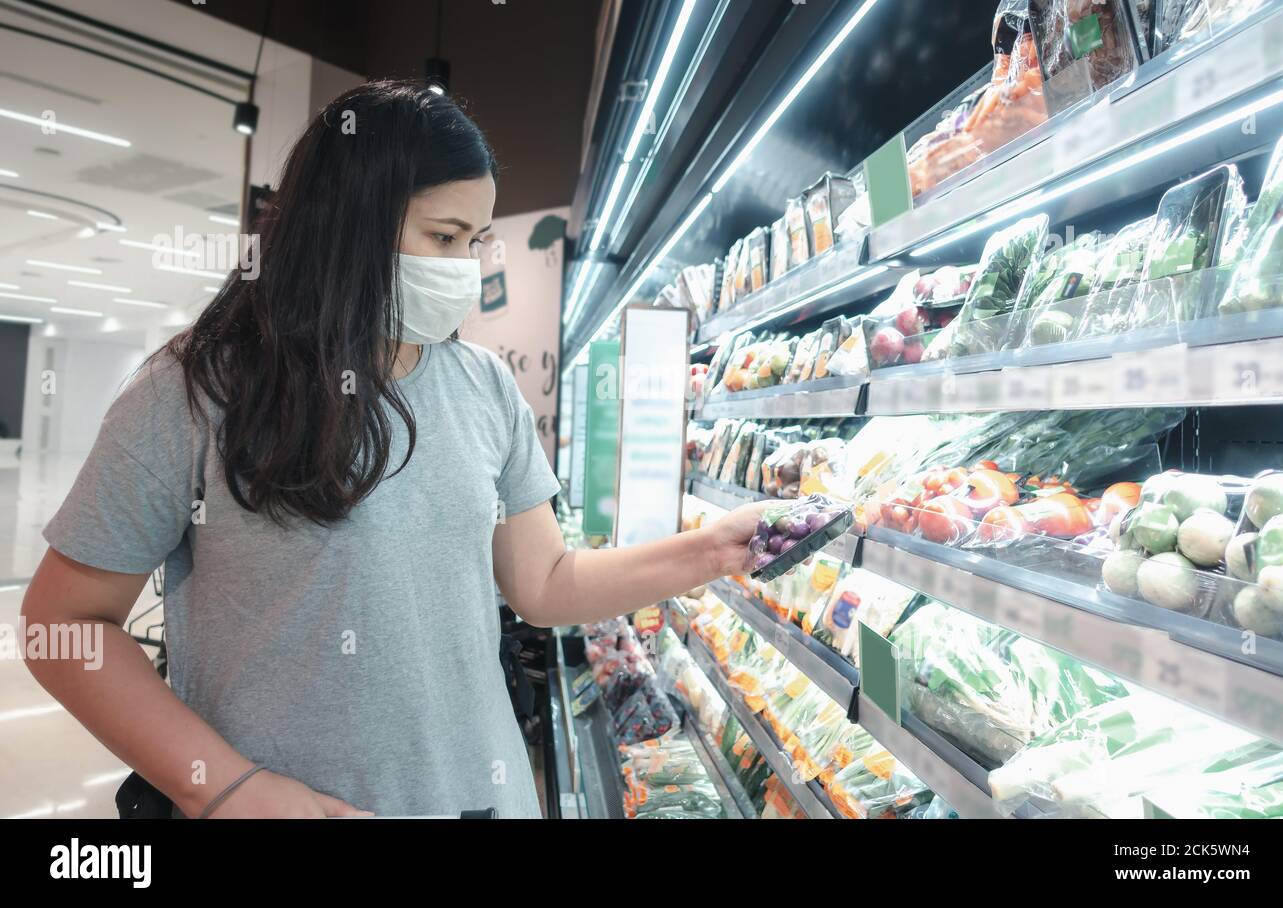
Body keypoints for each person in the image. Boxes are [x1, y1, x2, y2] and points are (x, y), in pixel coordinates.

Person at [21, 81, 765, 819]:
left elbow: (543, 582)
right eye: (444, 238)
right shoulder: (191, 392)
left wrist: (711, 554)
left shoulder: (483, 386)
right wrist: (223, 788)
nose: (465, 268)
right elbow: (65, 627)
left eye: (475, 242)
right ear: (346, 223)